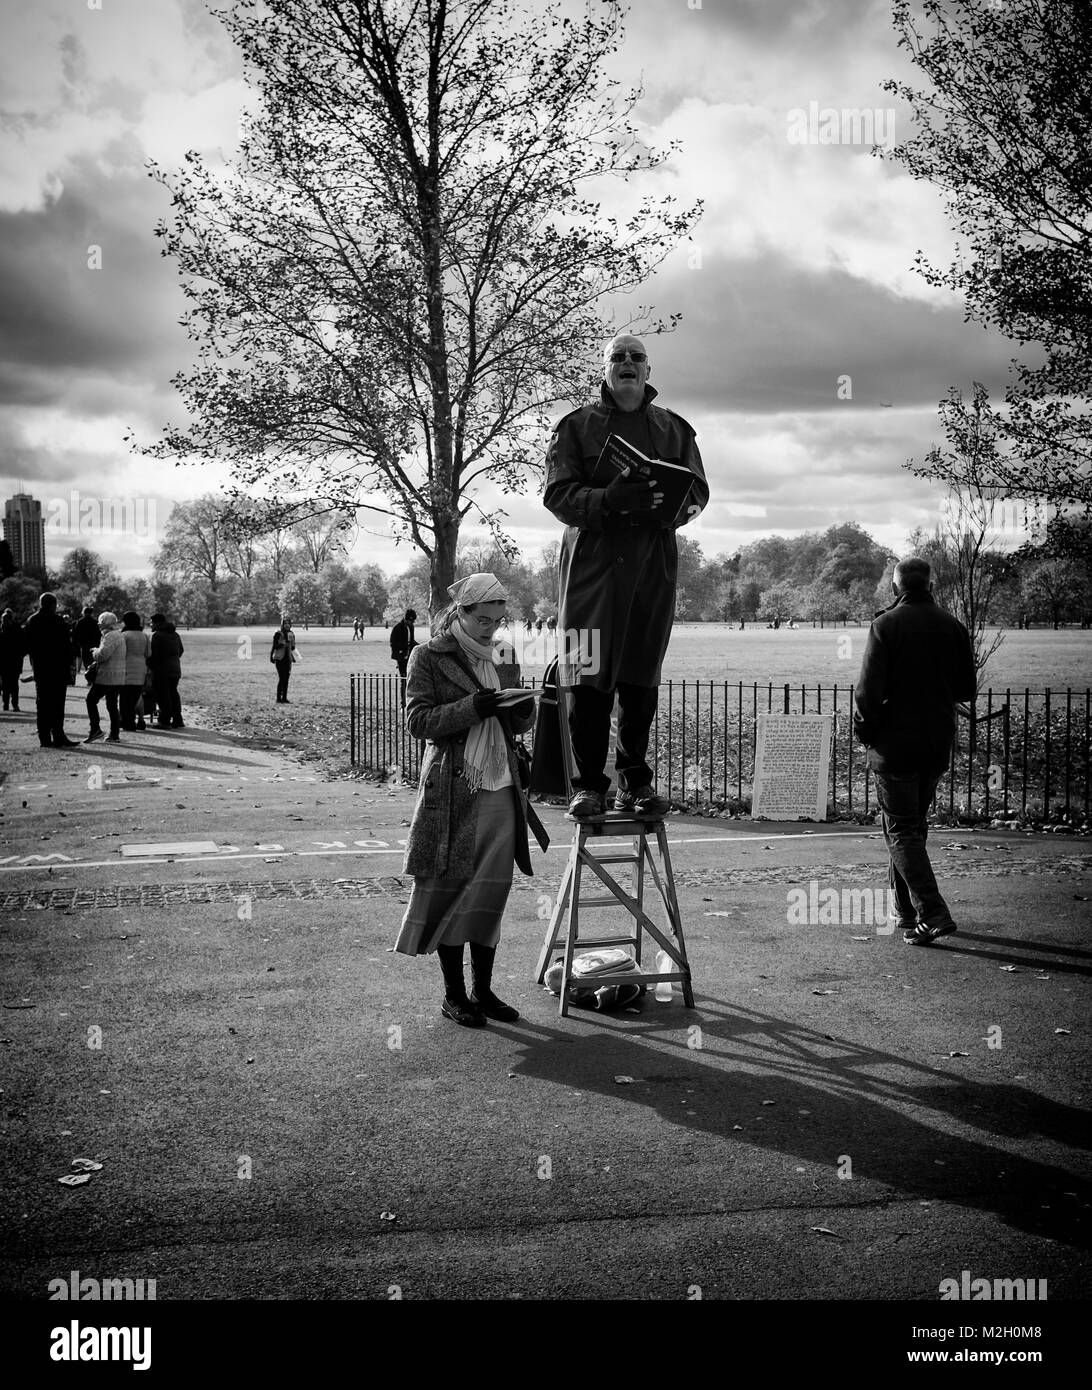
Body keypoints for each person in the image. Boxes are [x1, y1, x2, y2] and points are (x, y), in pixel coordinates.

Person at [543, 331, 709, 818]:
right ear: (605, 369)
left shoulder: (677, 430)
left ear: (649, 372)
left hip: (650, 567)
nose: (628, 363)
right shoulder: (575, 427)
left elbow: (697, 494)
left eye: (637, 357)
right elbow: (556, 496)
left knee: (640, 679)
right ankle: (588, 785)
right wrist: (607, 500)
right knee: (587, 677)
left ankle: (635, 783)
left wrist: (671, 508)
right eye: (618, 357)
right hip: (591, 569)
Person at [394, 574, 539, 1028]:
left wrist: (521, 708)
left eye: (498, 621)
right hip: (456, 789)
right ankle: (454, 995)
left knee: (490, 895)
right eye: (482, 620)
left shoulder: (505, 654)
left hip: (501, 786)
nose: (491, 630)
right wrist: (474, 707)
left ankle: (484, 991)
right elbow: (417, 721)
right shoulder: (428, 655)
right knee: (454, 891)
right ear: (460, 613)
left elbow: (517, 724)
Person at [853, 557, 976, 946]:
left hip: (895, 745)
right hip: (936, 741)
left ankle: (932, 912)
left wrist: (867, 733)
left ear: (897, 586)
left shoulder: (885, 625)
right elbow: (965, 691)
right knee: (909, 828)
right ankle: (907, 912)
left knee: (902, 830)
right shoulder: (953, 626)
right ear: (929, 583)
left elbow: (867, 693)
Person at [21, 592, 80, 748]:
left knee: (42, 704)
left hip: (41, 668)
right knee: (57, 704)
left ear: (41, 604)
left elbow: (26, 645)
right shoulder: (58, 621)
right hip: (58, 669)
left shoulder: (32, 621)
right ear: (53, 605)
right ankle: (58, 735)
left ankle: (44, 738)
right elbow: (67, 647)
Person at [85, 611, 126, 743]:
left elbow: (103, 655)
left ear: (105, 624)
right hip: (117, 675)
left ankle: (95, 729)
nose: (98, 625)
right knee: (112, 705)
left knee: (91, 700)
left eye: (100, 622)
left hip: (107, 675)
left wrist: (94, 651)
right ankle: (114, 734)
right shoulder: (117, 635)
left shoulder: (110, 636)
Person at [149, 613, 185, 729]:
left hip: (161, 670)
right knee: (173, 693)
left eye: (151, 622)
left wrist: (150, 665)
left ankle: (164, 721)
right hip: (175, 668)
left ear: (156, 623)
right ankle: (178, 720)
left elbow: (154, 655)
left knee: (163, 696)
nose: (150, 625)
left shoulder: (157, 636)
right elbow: (181, 650)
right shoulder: (175, 634)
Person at [119, 612, 150, 732]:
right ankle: (132, 721)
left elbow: (121, 652)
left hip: (126, 668)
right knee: (135, 696)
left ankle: (127, 722)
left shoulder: (124, 635)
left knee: (124, 697)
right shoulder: (144, 636)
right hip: (140, 669)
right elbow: (149, 653)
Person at [0, 608, 23, 711]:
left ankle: (7, 703)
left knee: (6, 684)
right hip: (13, 660)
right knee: (13, 684)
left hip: (7, 661)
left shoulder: (2, 630)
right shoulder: (17, 629)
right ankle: (13, 704)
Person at [270, 616, 296, 702]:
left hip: (287, 659)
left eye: (289, 623)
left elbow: (292, 647)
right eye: (285, 623)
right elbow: (274, 646)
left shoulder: (291, 634)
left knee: (286, 679)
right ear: (282, 624)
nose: (287, 625)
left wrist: (291, 644)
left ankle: (284, 697)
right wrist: (281, 644)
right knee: (282, 678)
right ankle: (278, 698)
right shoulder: (278, 633)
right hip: (279, 659)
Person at [389, 608, 417, 677]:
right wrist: (405, 646)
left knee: (410, 677)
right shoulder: (397, 628)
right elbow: (393, 643)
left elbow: (412, 641)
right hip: (401, 656)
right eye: (412, 621)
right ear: (407, 619)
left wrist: (419, 646)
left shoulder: (411, 627)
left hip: (410, 655)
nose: (413, 622)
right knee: (404, 678)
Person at [74, 606, 100, 671]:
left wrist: (77, 644)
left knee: (86, 662)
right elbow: (99, 634)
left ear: (84, 612)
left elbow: (76, 634)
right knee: (93, 662)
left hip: (84, 645)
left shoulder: (80, 622)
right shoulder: (95, 622)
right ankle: (91, 677)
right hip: (94, 645)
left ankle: (87, 674)